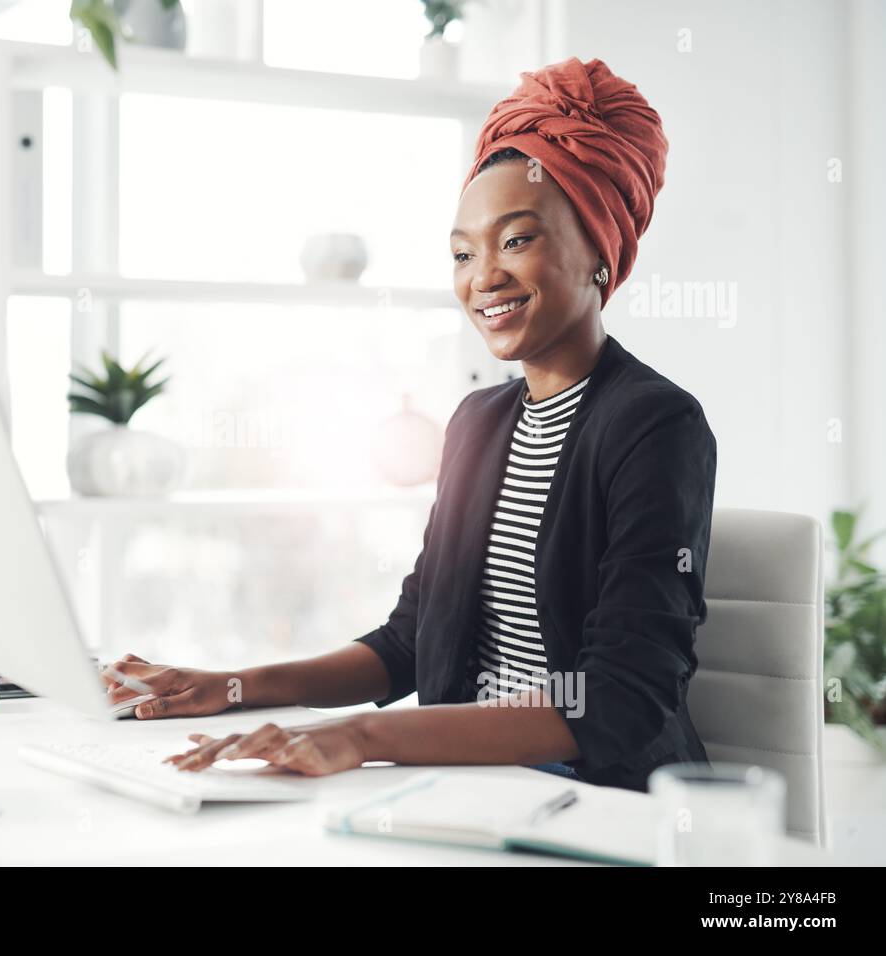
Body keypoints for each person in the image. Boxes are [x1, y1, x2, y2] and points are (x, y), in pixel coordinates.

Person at [101, 57, 717, 793]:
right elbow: (407, 644)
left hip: (598, 795)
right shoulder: (478, 422)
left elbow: (621, 703)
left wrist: (360, 736)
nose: (482, 276)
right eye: (463, 252)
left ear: (600, 254)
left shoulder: (654, 424)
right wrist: (231, 686)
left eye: (517, 240)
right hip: (464, 780)